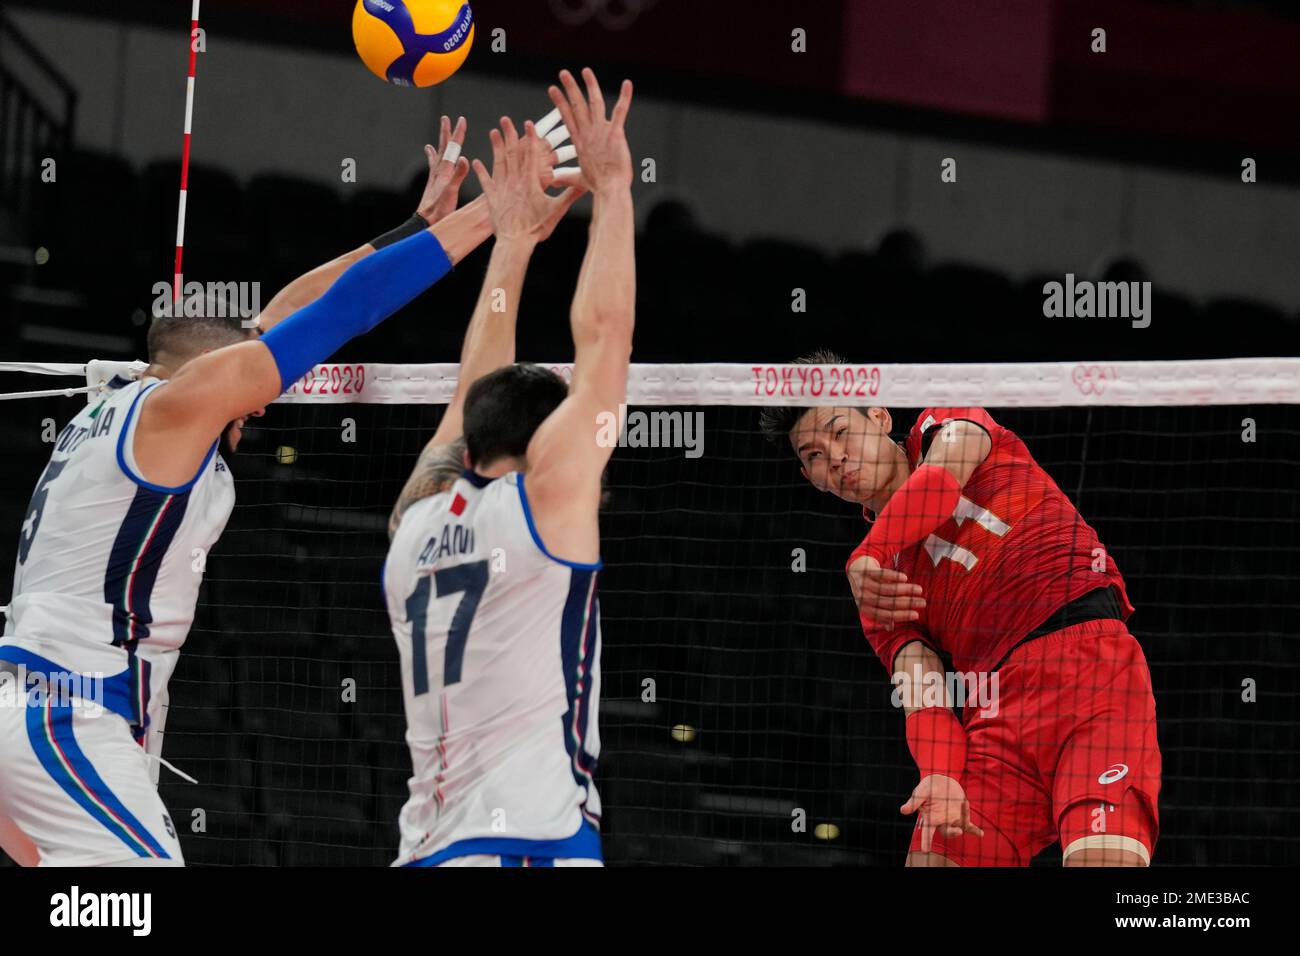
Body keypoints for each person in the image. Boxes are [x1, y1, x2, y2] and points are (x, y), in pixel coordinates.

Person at [0, 119, 490, 867]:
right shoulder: (171, 411)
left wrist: (417, 224)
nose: (261, 405)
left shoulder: (132, 407)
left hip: (51, 706)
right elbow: (339, 315)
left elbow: (293, 306)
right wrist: (501, 215)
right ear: (205, 376)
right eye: (247, 384)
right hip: (64, 714)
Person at [760, 350, 1161, 867]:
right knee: (933, 858)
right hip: (995, 712)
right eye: (813, 455)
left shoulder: (944, 422)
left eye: (840, 432)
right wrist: (940, 773)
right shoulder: (879, 588)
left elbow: (939, 483)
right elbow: (922, 690)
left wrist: (869, 552)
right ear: (808, 476)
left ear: (879, 415)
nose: (833, 458)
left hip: (1091, 672)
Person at [384, 68, 634, 867]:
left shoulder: (411, 527)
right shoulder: (546, 505)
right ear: (544, 446)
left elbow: (467, 401)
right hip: (529, 844)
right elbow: (604, 336)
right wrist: (615, 189)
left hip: (427, 849)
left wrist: (515, 244)